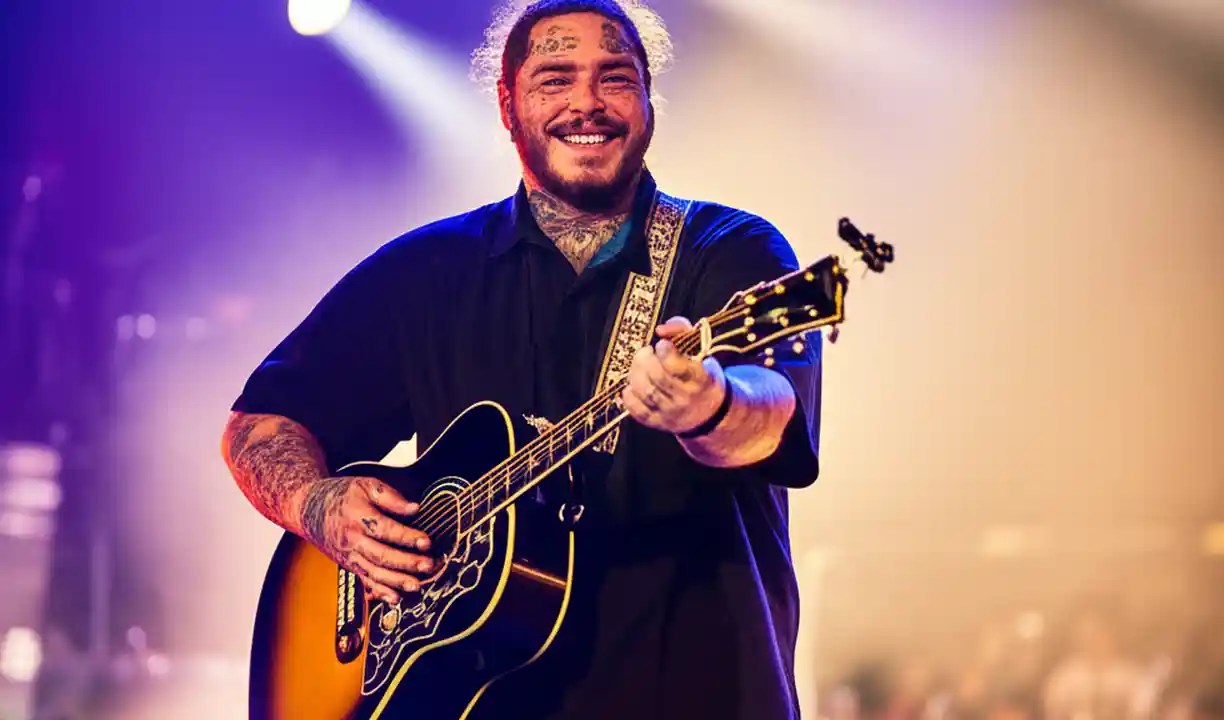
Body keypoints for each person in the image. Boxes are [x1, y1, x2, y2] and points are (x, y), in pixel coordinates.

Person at [221, 0, 821, 717]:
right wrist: (319, 506)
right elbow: (258, 428)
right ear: (507, 107)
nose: (587, 103)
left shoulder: (731, 251)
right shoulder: (426, 272)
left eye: (616, 78)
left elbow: (770, 412)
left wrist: (713, 404)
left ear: (649, 100)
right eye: (555, 79)